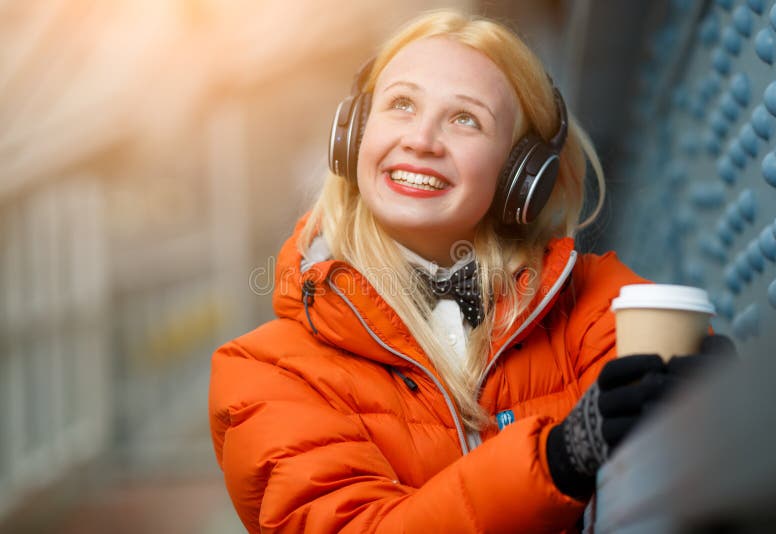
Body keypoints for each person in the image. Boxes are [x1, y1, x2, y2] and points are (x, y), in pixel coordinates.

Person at [208, 9, 729, 533]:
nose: (422, 140)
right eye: (402, 105)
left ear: (520, 174)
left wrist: (704, 402)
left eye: (466, 119)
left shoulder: (592, 298)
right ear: (355, 133)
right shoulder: (263, 371)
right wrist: (556, 461)